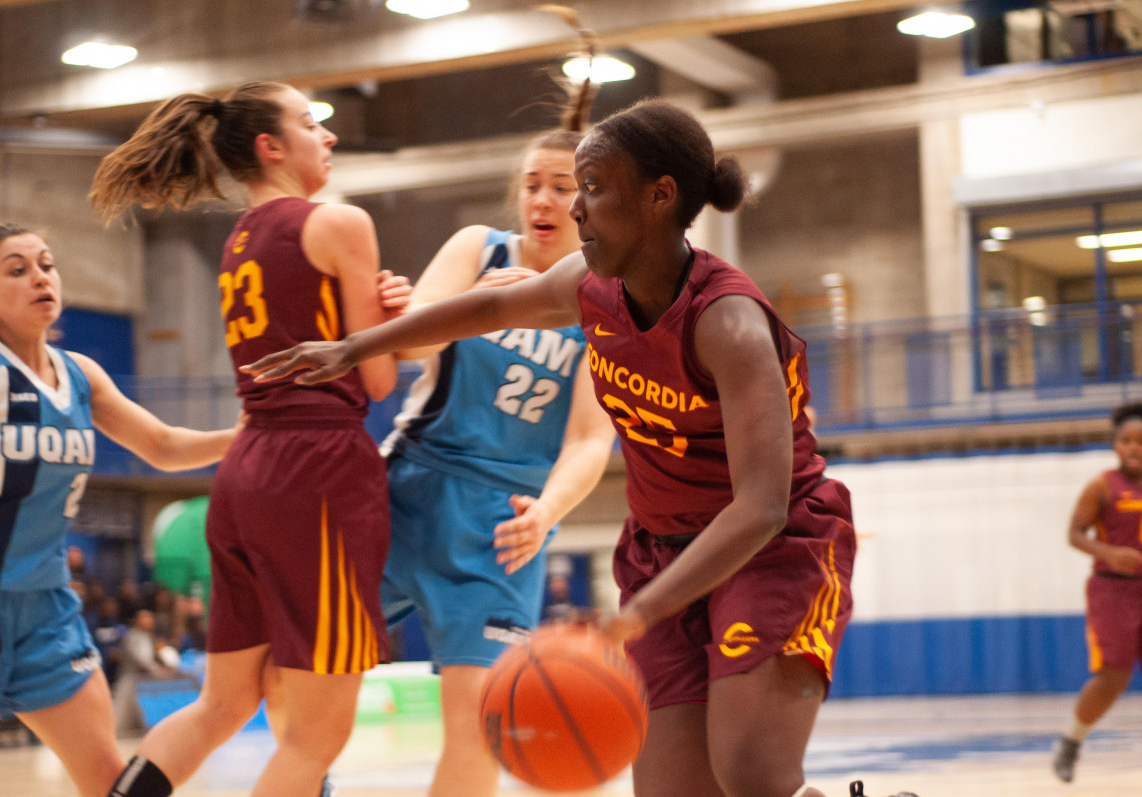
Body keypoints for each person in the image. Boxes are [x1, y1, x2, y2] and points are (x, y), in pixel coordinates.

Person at [243, 98, 871, 797]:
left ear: (660, 197)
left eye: (591, 188)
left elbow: (761, 507)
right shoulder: (590, 285)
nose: (574, 208)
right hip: (660, 547)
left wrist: (637, 611)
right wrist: (354, 346)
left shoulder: (729, 322)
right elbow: (488, 308)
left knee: (751, 774)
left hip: (771, 551)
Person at [90, 80, 404, 797]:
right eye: (310, 124)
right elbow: (381, 377)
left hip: (245, 464)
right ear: (271, 146)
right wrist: (398, 318)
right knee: (317, 734)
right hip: (316, 468)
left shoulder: (237, 240)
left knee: (222, 702)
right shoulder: (340, 224)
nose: (326, 136)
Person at [378, 74, 615, 795]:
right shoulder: (478, 249)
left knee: (479, 726)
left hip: (506, 525)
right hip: (407, 491)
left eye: (561, 187)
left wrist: (548, 512)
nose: (542, 200)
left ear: (594, 201)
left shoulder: (606, 304)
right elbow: (413, 344)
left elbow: (587, 440)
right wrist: (399, 310)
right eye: (531, 185)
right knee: (303, 672)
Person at [0, 222, 239, 797]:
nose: (40, 276)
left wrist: (252, 433)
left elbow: (163, 447)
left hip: (46, 609)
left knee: (113, 784)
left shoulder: (81, 376)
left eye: (46, 263)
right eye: (17, 269)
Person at [1053, 400, 1142, 784]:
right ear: (1115, 444)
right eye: (1126, 441)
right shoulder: (1102, 486)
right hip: (1111, 591)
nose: (1134, 447)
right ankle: (1071, 742)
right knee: (1114, 675)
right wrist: (1111, 553)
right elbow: (1073, 534)